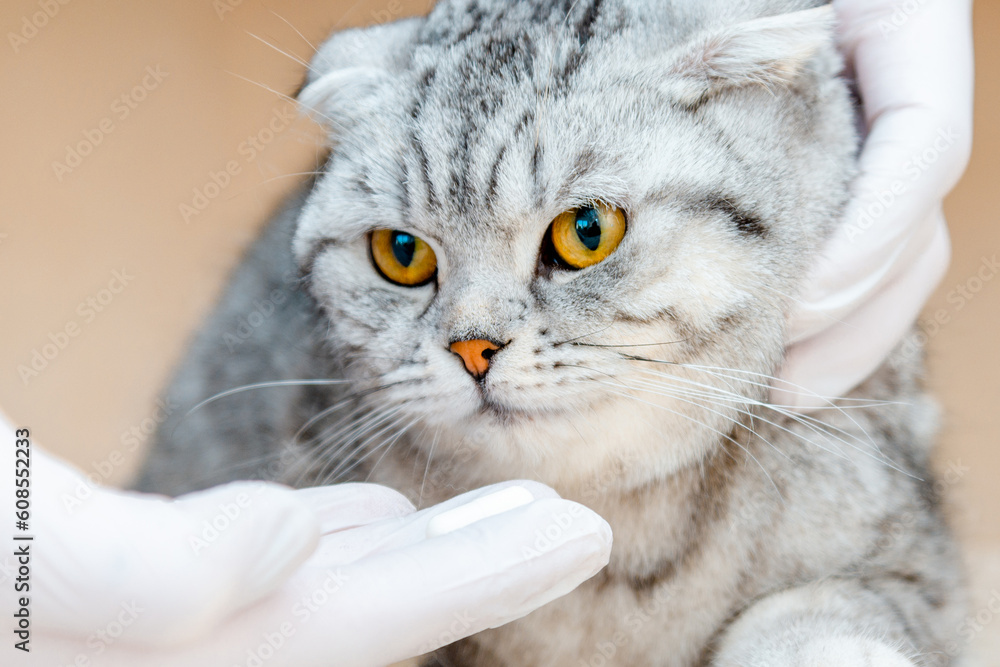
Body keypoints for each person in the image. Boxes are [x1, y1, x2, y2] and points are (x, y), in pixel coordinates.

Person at [1, 0, 972, 664]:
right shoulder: (352, 460)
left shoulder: (828, 428)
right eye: (404, 257)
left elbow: (889, 584)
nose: (473, 338)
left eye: (579, 235)